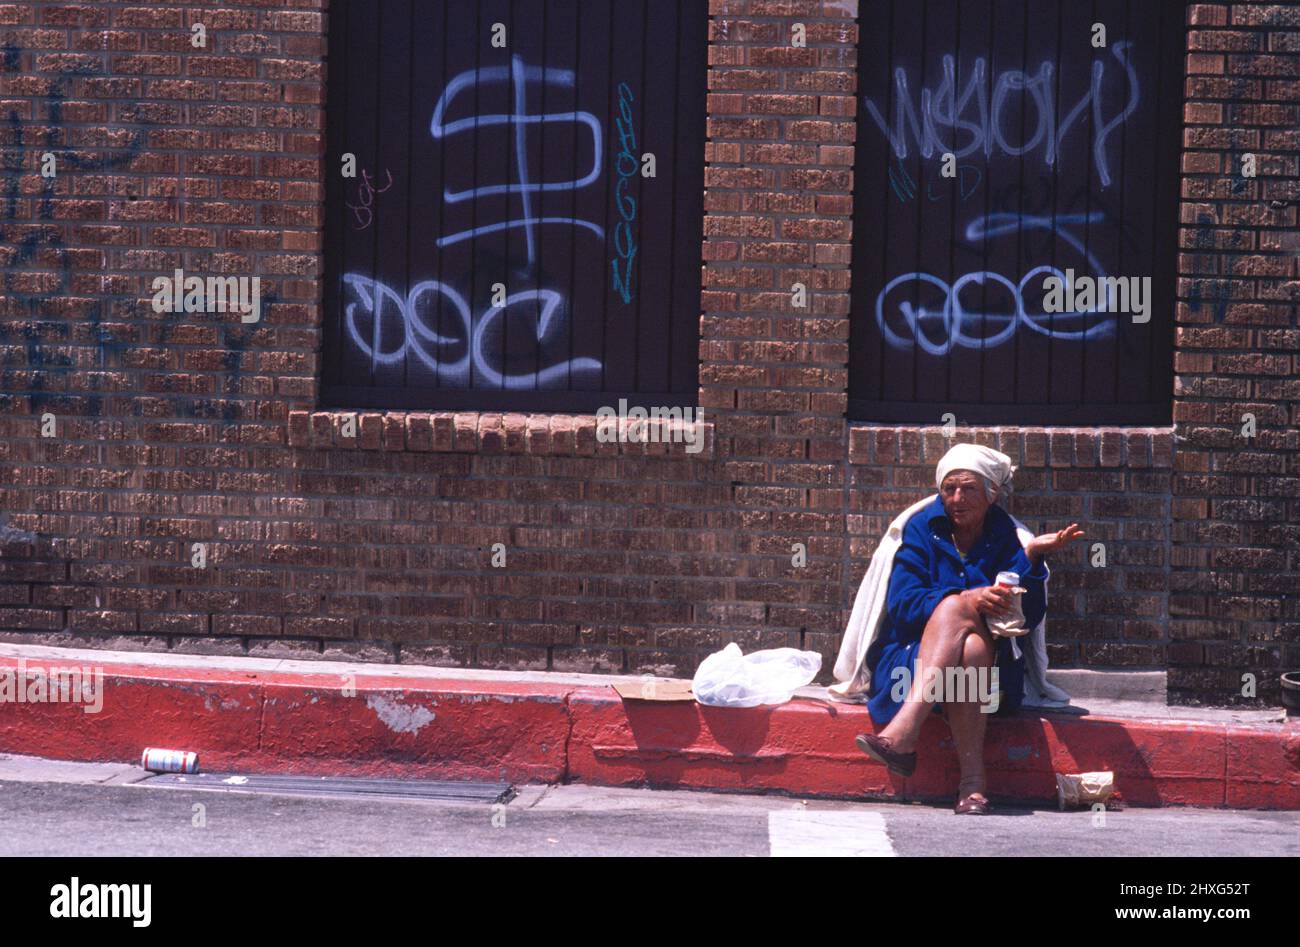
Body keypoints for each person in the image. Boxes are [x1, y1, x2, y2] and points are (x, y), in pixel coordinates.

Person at [853, 444, 1083, 814]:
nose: (957, 498)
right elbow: (902, 606)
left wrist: (1032, 559)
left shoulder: (1008, 536)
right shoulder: (921, 529)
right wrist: (966, 600)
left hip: (993, 680)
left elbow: (1029, 617)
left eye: (969, 489)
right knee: (958, 617)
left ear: (992, 493)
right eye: (949, 488)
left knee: (973, 643)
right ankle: (973, 785)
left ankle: (903, 736)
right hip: (909, 664)